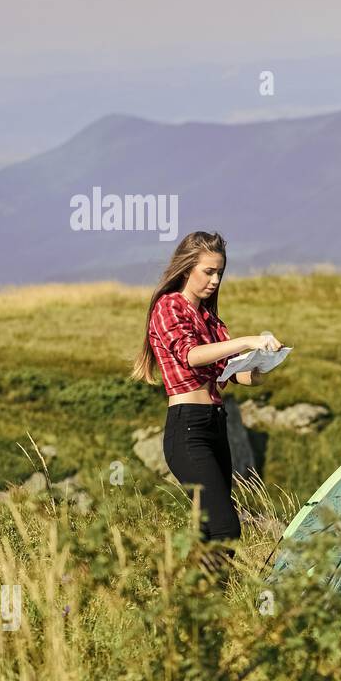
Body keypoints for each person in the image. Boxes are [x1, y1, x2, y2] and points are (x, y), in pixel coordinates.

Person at [130, 231, 283, 573]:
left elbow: (228, 375)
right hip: (188, 428)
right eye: (208, 271)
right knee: (225, 527)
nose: (215, 280)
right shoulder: (169, 307)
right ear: (187, 269)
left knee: (205, 529)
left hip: (215, 424)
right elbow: (191, 355)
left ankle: (192, 605)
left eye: (220, 273)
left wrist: (259, 365)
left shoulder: (212, 321)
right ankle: (209, 601)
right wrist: (246, 340)